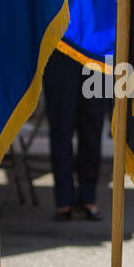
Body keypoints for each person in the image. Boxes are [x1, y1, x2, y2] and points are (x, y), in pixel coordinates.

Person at [42, 50, 106, 221]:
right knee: (61, 127)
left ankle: (88, 197)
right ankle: (64, 200)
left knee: (93, 127)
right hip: (61, 46)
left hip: (96, 49)